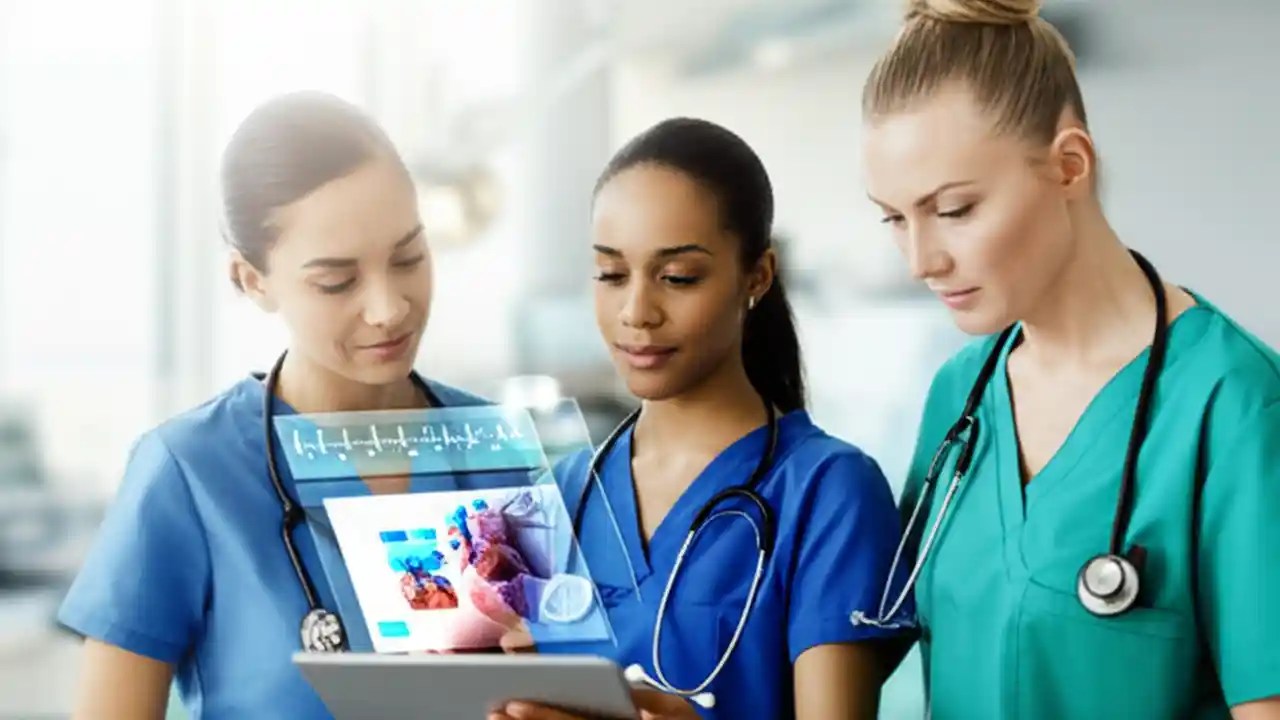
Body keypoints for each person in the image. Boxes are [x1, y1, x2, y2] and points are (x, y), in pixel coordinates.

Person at [857, 1, 1280, 717]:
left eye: (954, 210)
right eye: (896, 218)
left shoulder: (1233, 402)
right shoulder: (961, 395)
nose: (921, 260)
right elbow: (865, 645)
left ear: (1069, 165)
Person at [56, 91, 493, 719]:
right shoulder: (190, 472)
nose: (389, 308)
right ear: (252, 280)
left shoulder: (493, 448)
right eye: (337, 282)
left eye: (409, 258)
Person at [493, 118, 915, 720]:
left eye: (678, 278)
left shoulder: (827, 491)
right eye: (611, 275)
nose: (637, 312)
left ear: (757, 276)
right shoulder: (558, 500)